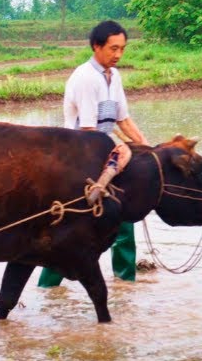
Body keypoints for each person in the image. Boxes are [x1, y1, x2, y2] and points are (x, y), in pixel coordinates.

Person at [38, 20, 149, 287]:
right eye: (113, 48)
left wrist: (148, 148)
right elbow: (89, 132)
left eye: (122, 48)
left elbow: (123, 119)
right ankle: (48, 287)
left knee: (123, 218)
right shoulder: (85, 78)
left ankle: (125, 283)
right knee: (70, 230)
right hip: (80, 159)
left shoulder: (114, 76)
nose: (118, 54)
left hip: (106, 156)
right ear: (96, 46)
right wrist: (120, 150)